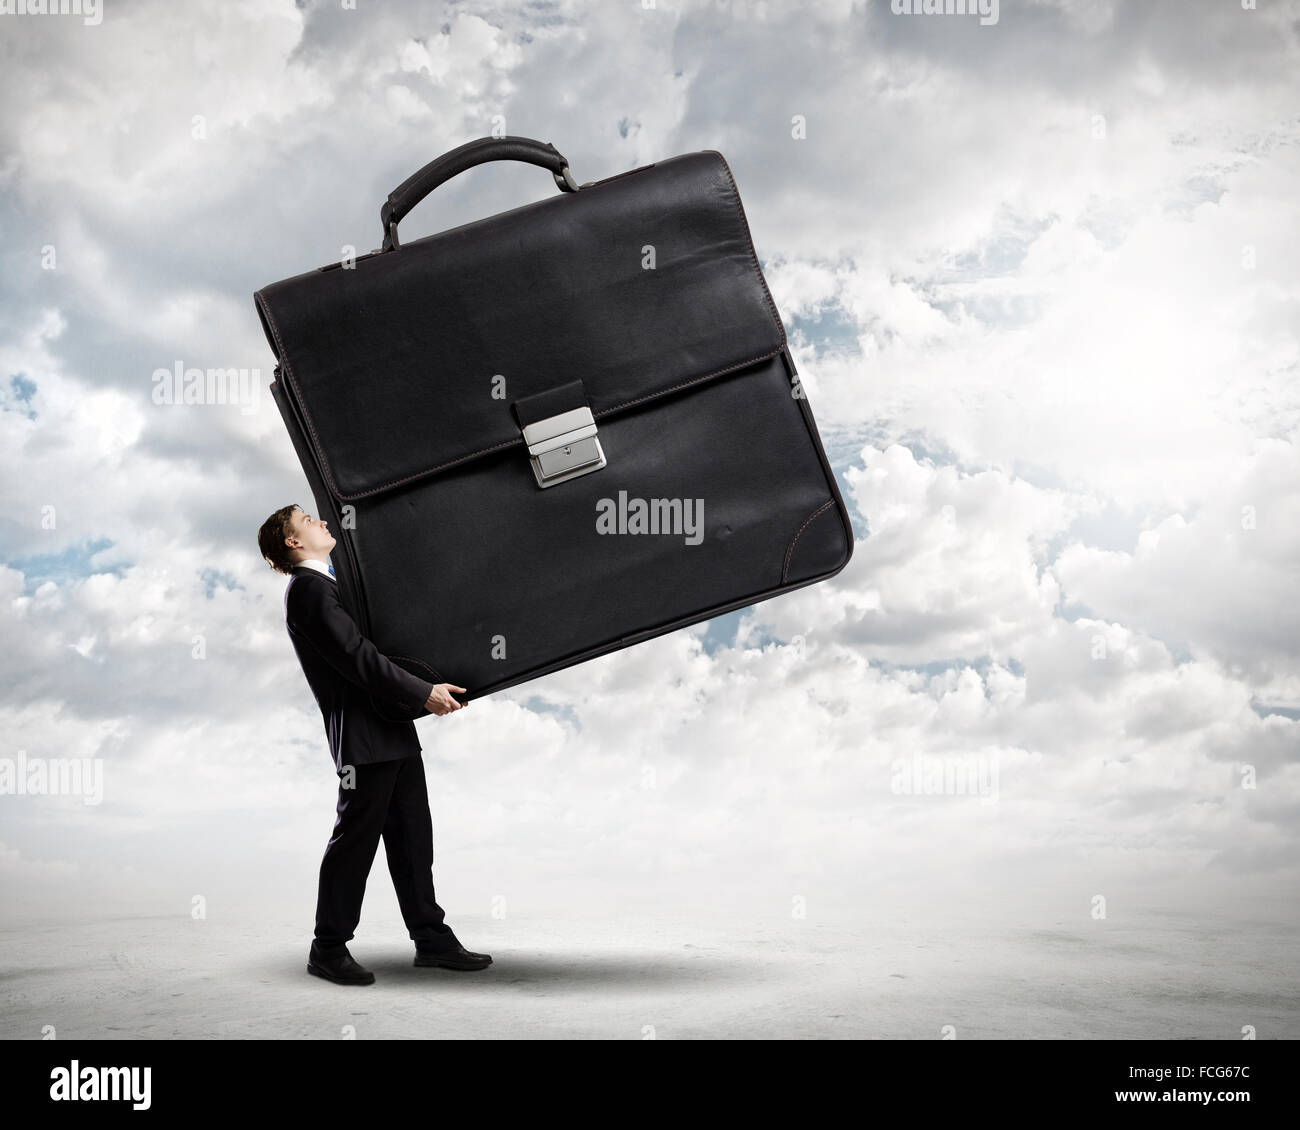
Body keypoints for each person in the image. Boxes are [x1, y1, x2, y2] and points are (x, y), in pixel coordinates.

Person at [256, 503, 491, 984]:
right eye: (309, 521)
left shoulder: (330, 587)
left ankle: (431, 940)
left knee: (412, 839)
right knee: (354, 844)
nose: (322, 522)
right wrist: (422, 692)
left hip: (389, 731)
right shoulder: (307, 590)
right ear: (293, 543)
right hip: (363, 741)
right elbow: (356, 656)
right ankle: (327, 949)